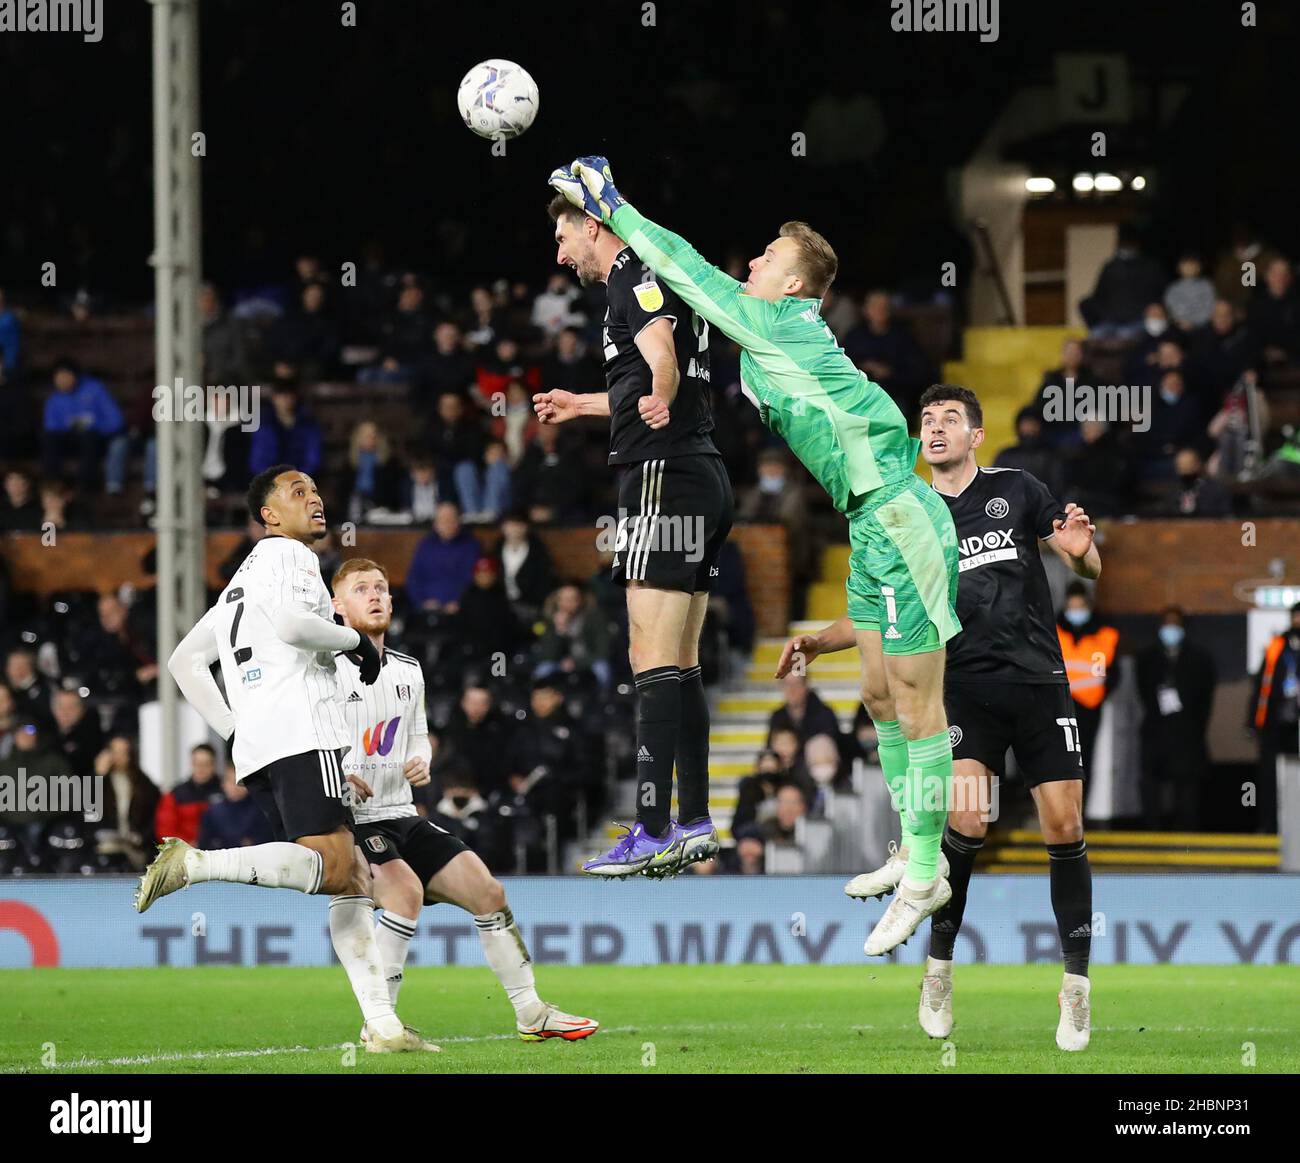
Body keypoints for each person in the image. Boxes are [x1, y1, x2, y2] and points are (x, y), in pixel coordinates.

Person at [550, 157, 959, 953]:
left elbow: (687, 272)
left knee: (917, 705)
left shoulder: (778, 322)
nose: (752, 265)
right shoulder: (774, 328)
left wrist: (616, 205)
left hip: (902, 516)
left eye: (767, 259)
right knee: (876, 696)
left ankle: (924, 870)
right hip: (868, 524)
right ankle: (913, 849)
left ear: (796, 287)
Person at [781, 384, 1101, 1050]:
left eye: (949, 419)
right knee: (965, 819)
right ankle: (939, 968)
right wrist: (816, 639)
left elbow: (1086, 563)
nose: (934, 428)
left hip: (1039, 683)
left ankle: (1075, 988)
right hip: (964, 690)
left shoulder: (1016, 488)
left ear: (975, 435)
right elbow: (877, 610)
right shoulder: (908, 511)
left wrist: (1082, 550)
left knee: (1065, 824)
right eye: (926, 420)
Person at [137, 464, 431, 1055]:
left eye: (318, 492)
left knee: (349, 878)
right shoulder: (291, 558)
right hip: (303, 729)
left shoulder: (238, 585)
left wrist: (236, 731)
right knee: (335, 867)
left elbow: (183, 664)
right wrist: (356, 645)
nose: (315, 501)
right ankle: (196, 865)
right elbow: (299, 628)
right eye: (299, 494)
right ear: (269, 515)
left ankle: (385, 1026)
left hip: (264, 743)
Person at [535, 182, 735, 881]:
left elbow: (661, 358)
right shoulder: (665, 274)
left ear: (593, 226)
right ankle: (695, 818)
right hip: (704, 474)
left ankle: (651, 827)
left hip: (661, 474)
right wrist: (584, 403)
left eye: (564, 239)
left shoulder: (631, 275)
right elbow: (651, 367)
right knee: (680, 659)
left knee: (647, 655)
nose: (562, 256)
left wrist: (660, 389)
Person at [330, 556, 597, 1042]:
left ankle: (531, 1012)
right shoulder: (323, 671)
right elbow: (308, 740)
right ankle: (380, 1024)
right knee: (405, 893)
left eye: (381, 587)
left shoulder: (409, 670)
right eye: (361, 588)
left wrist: (421, 761)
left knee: (489, 893)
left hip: (402, 814)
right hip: (354, 822)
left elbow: (417, 735)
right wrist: (339, 770)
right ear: (337, 606)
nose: (374, 595)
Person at [1135, 607, 1217, 830]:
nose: (1171, 629)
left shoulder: (1200, 659)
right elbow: (1143, 691)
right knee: (1151, 782)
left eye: (1175, 624)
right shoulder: (1147, 658)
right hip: (1155, 729)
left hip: (1186, 732)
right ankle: (1152, 828)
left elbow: (1205, 697)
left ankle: (1186, 829)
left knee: (1186, 786)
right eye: (1167, 624)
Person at [1057, 581, 1119, 783]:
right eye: (1072, 607)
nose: (1076, 611)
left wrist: (1101, 695)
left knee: (1085, 760)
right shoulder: (1054, 631)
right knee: (1057, 759)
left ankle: (1079, 811)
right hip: (1058, 707)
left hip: (1089, 708)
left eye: (1080, 607)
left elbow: (1113, 673)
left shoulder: (1105, 635)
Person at [1248, 602, 1300, 834]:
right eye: (1296, 617)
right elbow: (1262, 686)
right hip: (1276, 722)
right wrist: (1254, 720)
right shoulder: (1277, 645)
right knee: (1269, 776)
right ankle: (1269, 825)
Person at [154, 743, 224, 847]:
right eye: (196, 763)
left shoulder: (226, 792)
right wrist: (187, 846)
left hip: (221, 852)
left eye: (206, 764)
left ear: (213, 765)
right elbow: (165, 829)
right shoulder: (176, 794)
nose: (201, 768)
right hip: (185, 854)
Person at [198, 765, 274, 849]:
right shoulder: (212, 812)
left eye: (238, 782)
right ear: (223, 784)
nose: (234, 786)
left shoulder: (261, 810)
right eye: (230, 781)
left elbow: (267, 841)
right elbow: (204, 845)